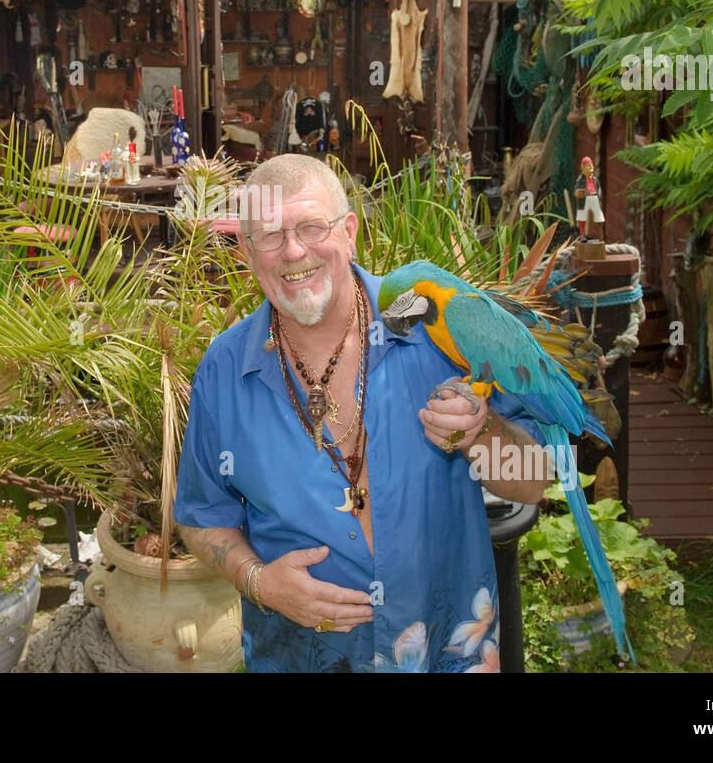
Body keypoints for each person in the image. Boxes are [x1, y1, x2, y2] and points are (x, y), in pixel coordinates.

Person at [174, 155, 553, 672]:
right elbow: (201, 518)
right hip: (302, 656)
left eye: (312, 226)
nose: (292, 251)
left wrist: (481, 432)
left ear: (349, 232)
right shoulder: (222, 372)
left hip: (449, 649)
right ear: (245, 251)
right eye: (268, 235)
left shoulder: (441, 330)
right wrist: (259, 581)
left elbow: (534, 483)